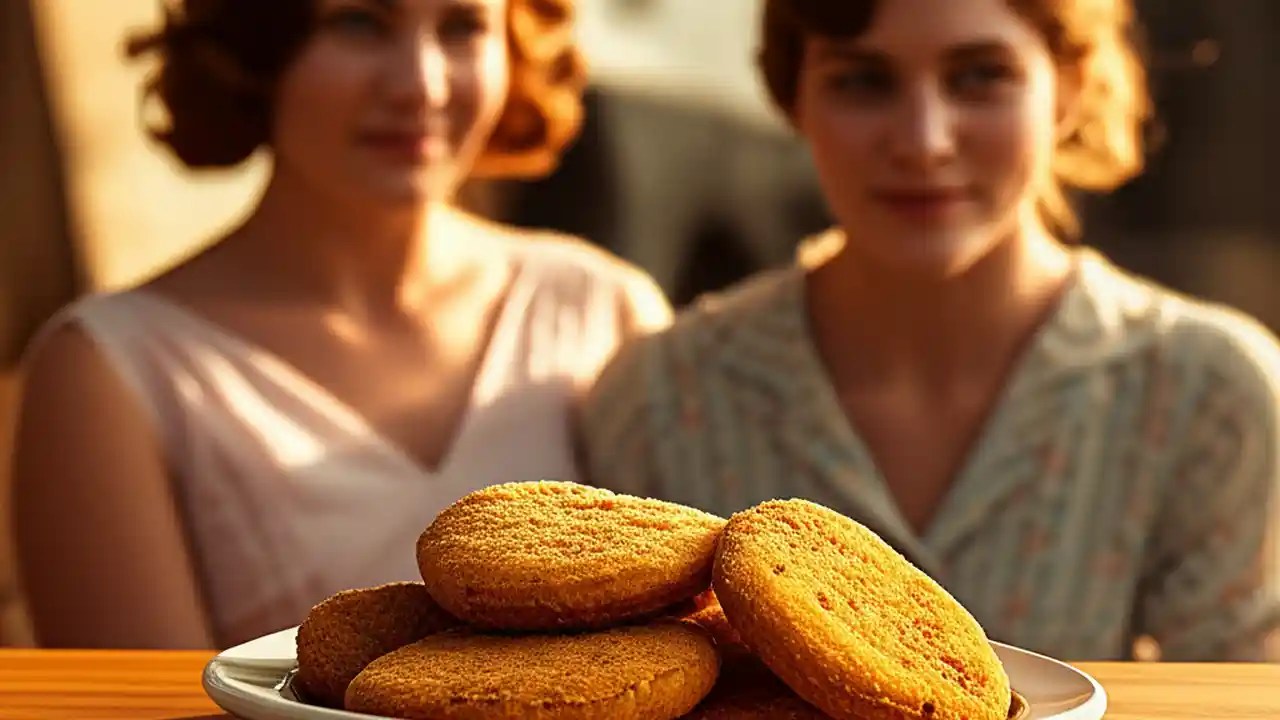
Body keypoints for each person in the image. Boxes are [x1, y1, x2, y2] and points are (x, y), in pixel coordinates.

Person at [582, 0, 1280, 662]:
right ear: (792, 96)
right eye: (863, 81)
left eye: (980, 77)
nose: (923, 140)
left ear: (1067, 87)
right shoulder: (662, 399)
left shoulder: (1208, 396)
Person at [13, 0, 670, 650]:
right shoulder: (106, 371)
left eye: (463, 26)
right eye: (359, 22)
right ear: (252, 46)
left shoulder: (604, 313)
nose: (421, 84)